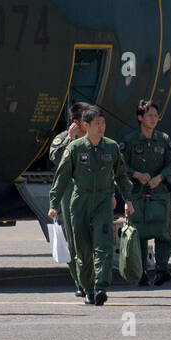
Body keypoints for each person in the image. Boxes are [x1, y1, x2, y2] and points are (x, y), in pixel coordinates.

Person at [47, 106, 132, 306]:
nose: (101, 128)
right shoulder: (74, 147)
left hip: (102, 201)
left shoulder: (111, 147)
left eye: (103, 123)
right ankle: (87, 288)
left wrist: (127, 199)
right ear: (86, 125)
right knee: (83, 250)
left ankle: (101, 286)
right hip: (79, 201)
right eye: (97, 124)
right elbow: (61, 177)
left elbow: (121, 174)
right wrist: (54, 203)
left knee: (103, 245)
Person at [119, 99, 171, 286]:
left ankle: (162, 269)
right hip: (137, 193)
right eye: (149, 115)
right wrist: (136, 174)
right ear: (140, 117)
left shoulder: (164, 139)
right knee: (139, 234)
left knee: (163, 233)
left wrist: (160, 177)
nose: (153, 119)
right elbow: (120, 166)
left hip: (158, 194)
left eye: (155, 115)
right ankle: (141, 271)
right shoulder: (130, 141)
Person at [47, 101, 89, 296]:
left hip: (91, 195)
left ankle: (91, 280)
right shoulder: (63, 139)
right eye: (86, 119)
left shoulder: (94, 139)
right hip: (69, 197)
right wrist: (70, 139)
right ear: (75, 122)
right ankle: (81, 282)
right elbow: (55, 158)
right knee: (73, 243)